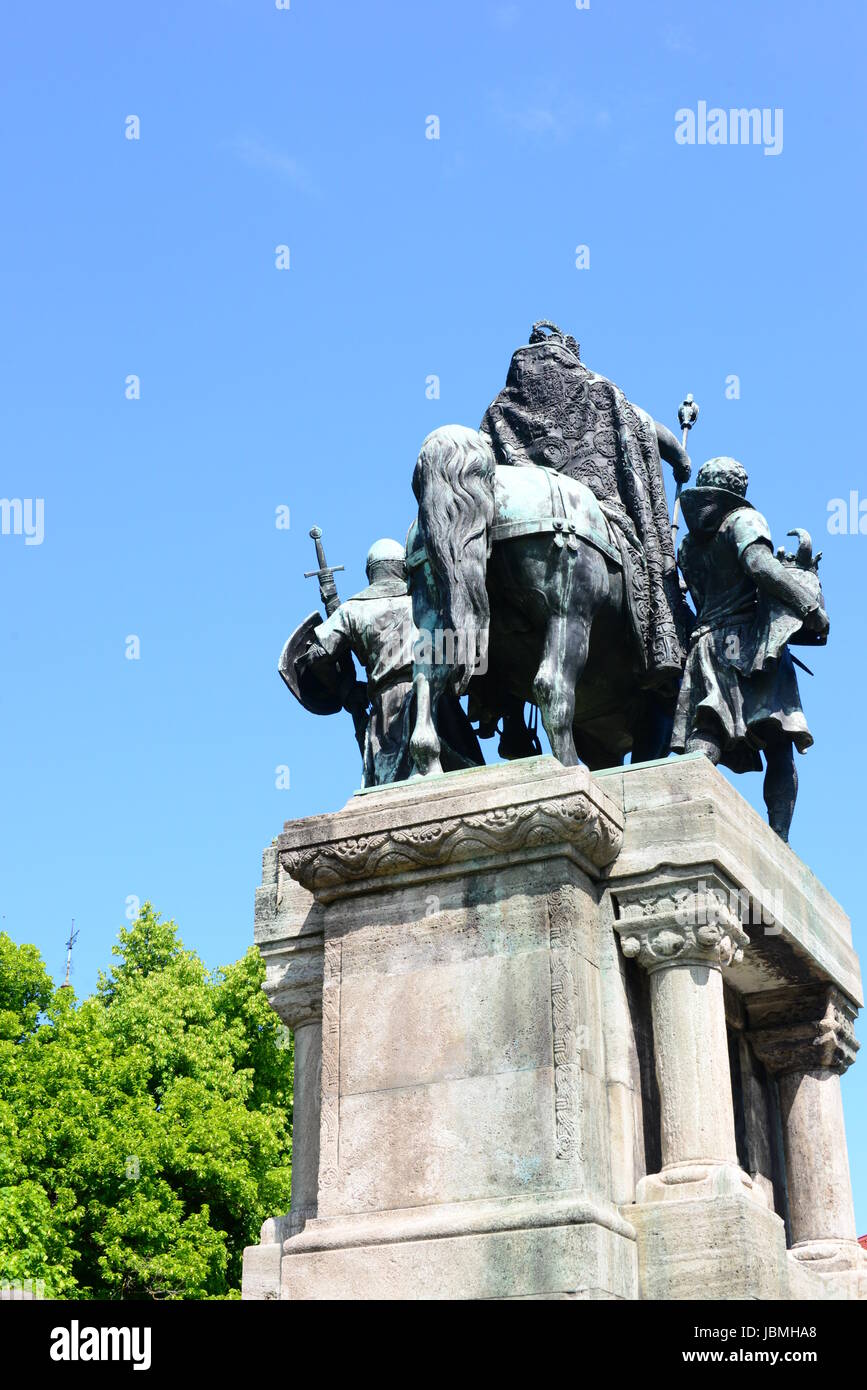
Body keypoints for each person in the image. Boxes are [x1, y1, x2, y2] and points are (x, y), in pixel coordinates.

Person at [671, 457, 829, 841]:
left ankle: (692, 824)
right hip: (751, 646)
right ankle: (779, 841)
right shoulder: (743, 520)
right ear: (738, 489)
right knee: (779, 742)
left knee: (707, 732)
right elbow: (759, 567)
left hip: (706, 645)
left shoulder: (688, 546)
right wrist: (808, 606)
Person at [298, 539, 415, 786]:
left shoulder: (352, 610)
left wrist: (346, 689)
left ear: (371, 572)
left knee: (390, 787)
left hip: (386, 709)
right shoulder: (423, 600)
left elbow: (315, 656)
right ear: (403, 567)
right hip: (434, 702)